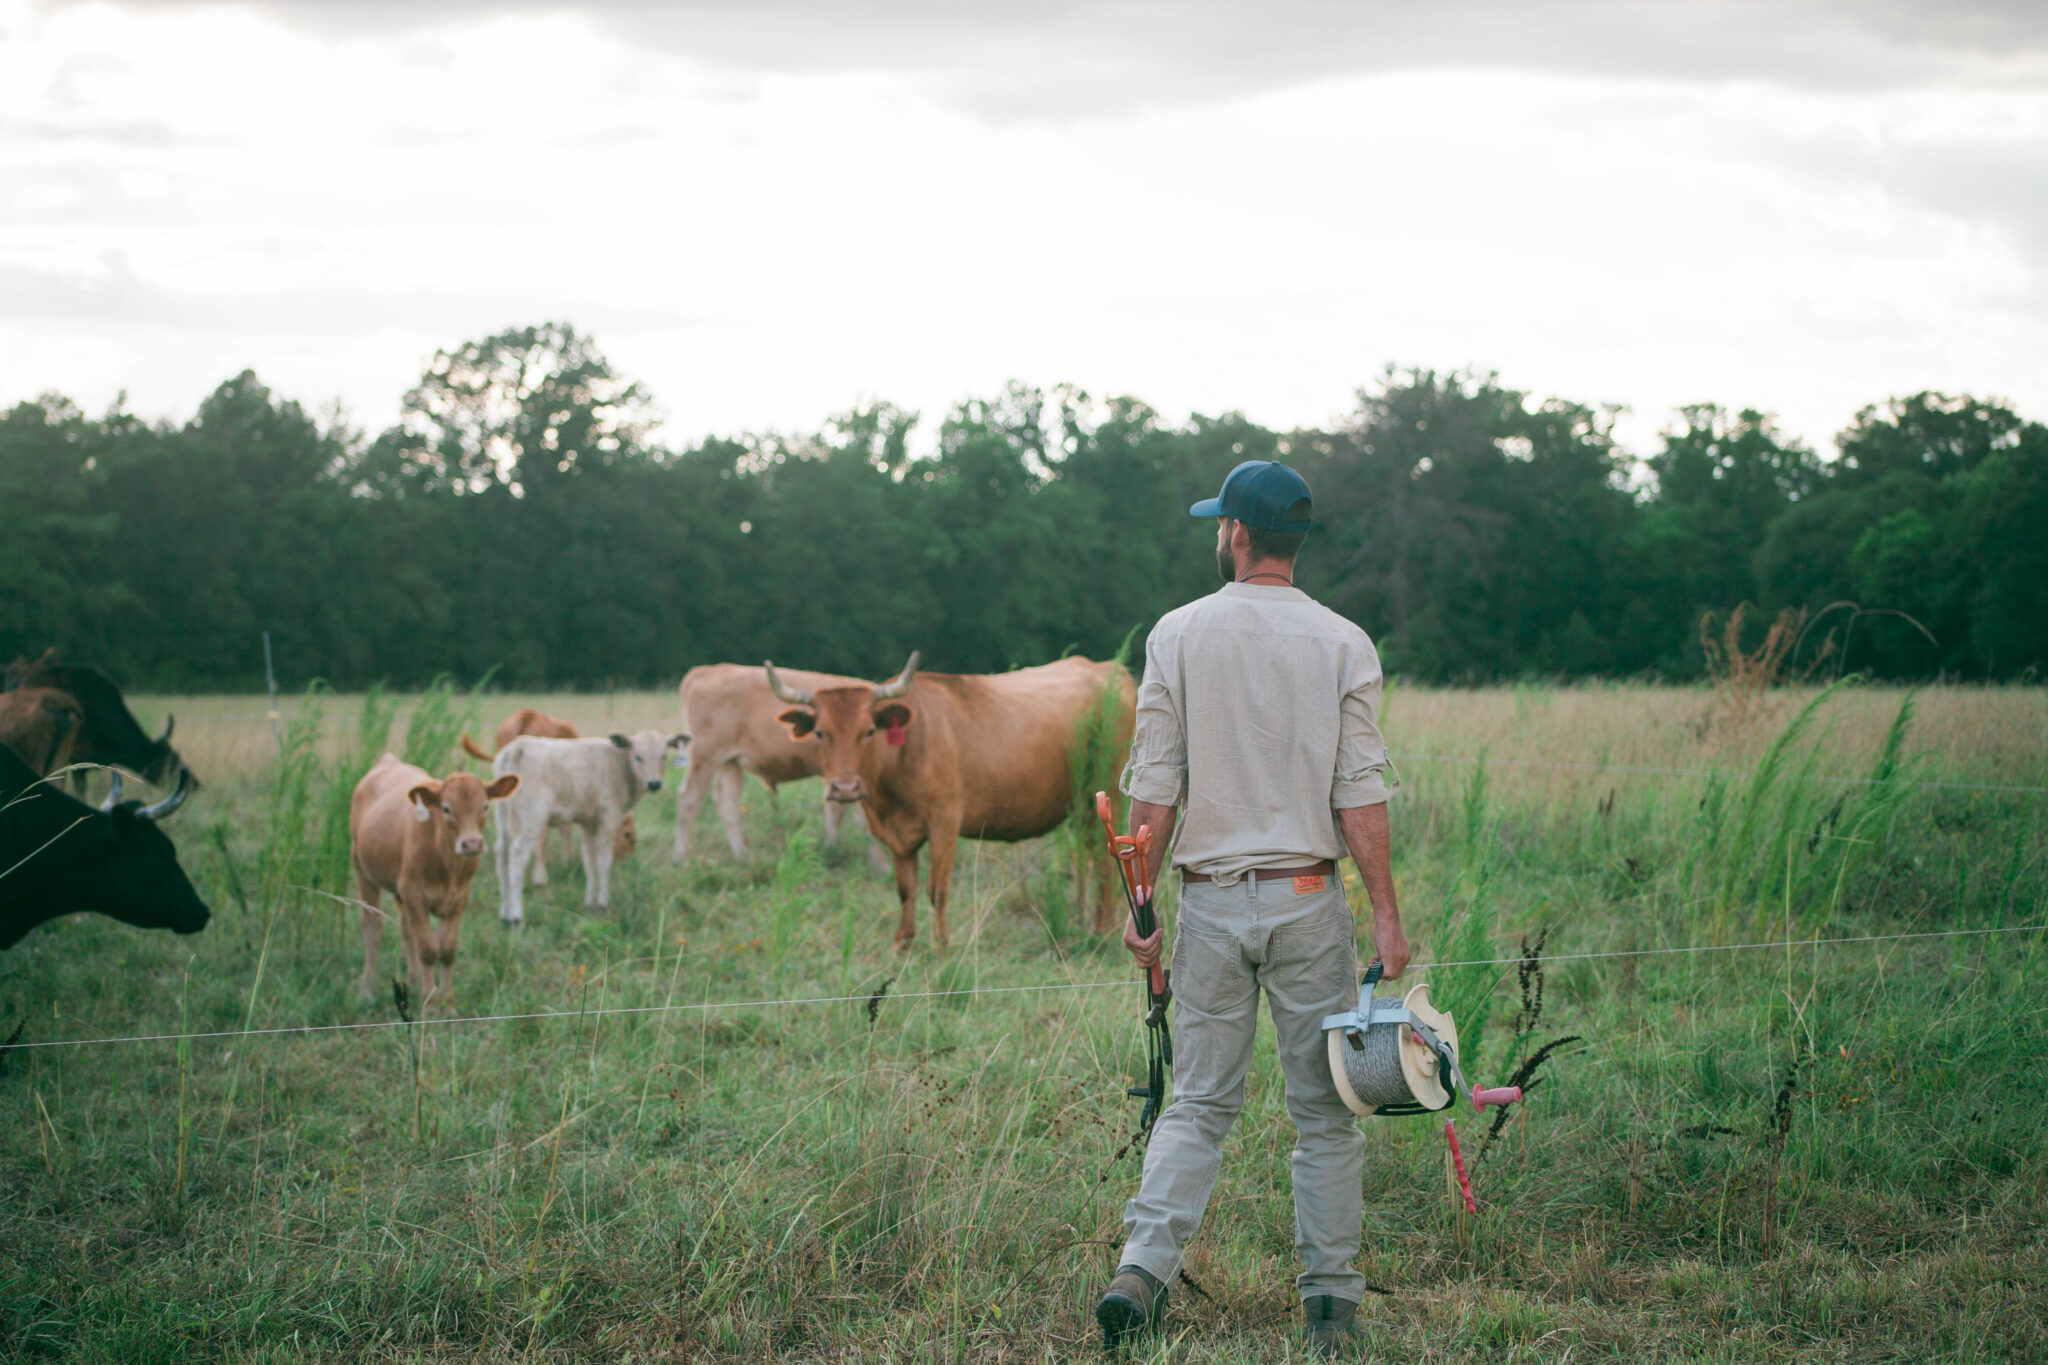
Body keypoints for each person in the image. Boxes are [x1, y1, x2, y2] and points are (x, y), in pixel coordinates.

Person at [1094, 459, 1410, 1357]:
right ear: (1292, 541)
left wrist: (1142, 906)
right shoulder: (1345, 641)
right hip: (1311, 899)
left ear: (1236, 532)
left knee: (1195, 1101)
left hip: (1211, 903)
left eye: (1219, 523)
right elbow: (1360, 794)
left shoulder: (1179, 633)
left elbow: (1153, 789)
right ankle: (1331, 1309)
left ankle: (1142, 1272)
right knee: (1325, 1112)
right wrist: (1385, 914)